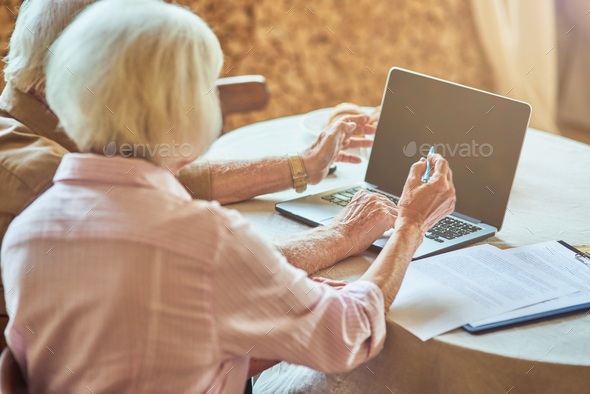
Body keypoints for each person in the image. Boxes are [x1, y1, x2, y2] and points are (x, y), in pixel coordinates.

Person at [1, 0, 455, 392]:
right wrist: (410, 226)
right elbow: (347, 335)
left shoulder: (27, 231)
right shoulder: (206, 240)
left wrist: (304, 166)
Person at [0, 0, 374, 252]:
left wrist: (306, 165)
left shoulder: (49, 124)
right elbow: (214, 277)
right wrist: (340, 236)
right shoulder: (39, 176)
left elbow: (160, 182)